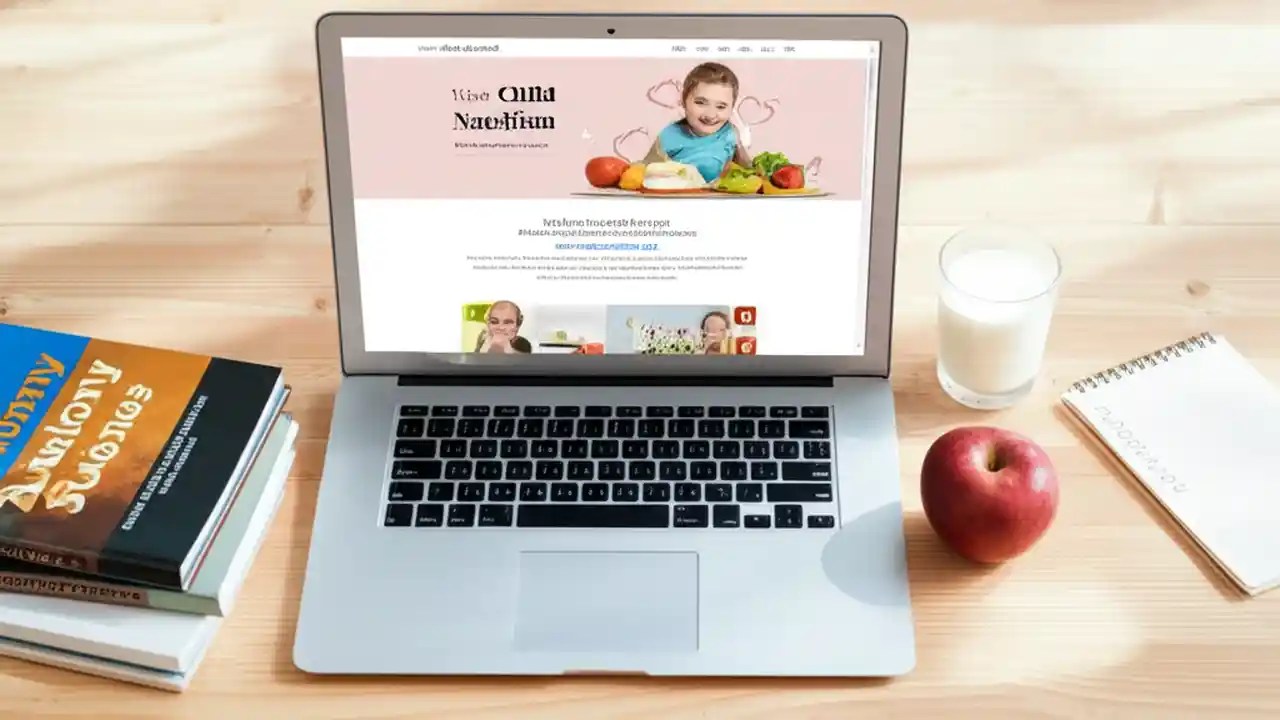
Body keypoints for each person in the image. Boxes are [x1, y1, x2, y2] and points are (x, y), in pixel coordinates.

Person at [643, 62, 754, 184]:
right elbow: (644, 172)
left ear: (732, 108)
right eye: (700, 102)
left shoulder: (730, 133)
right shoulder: (669, 136)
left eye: (721, 106)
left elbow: (748, 169)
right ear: (683, 101)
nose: (710, 115)